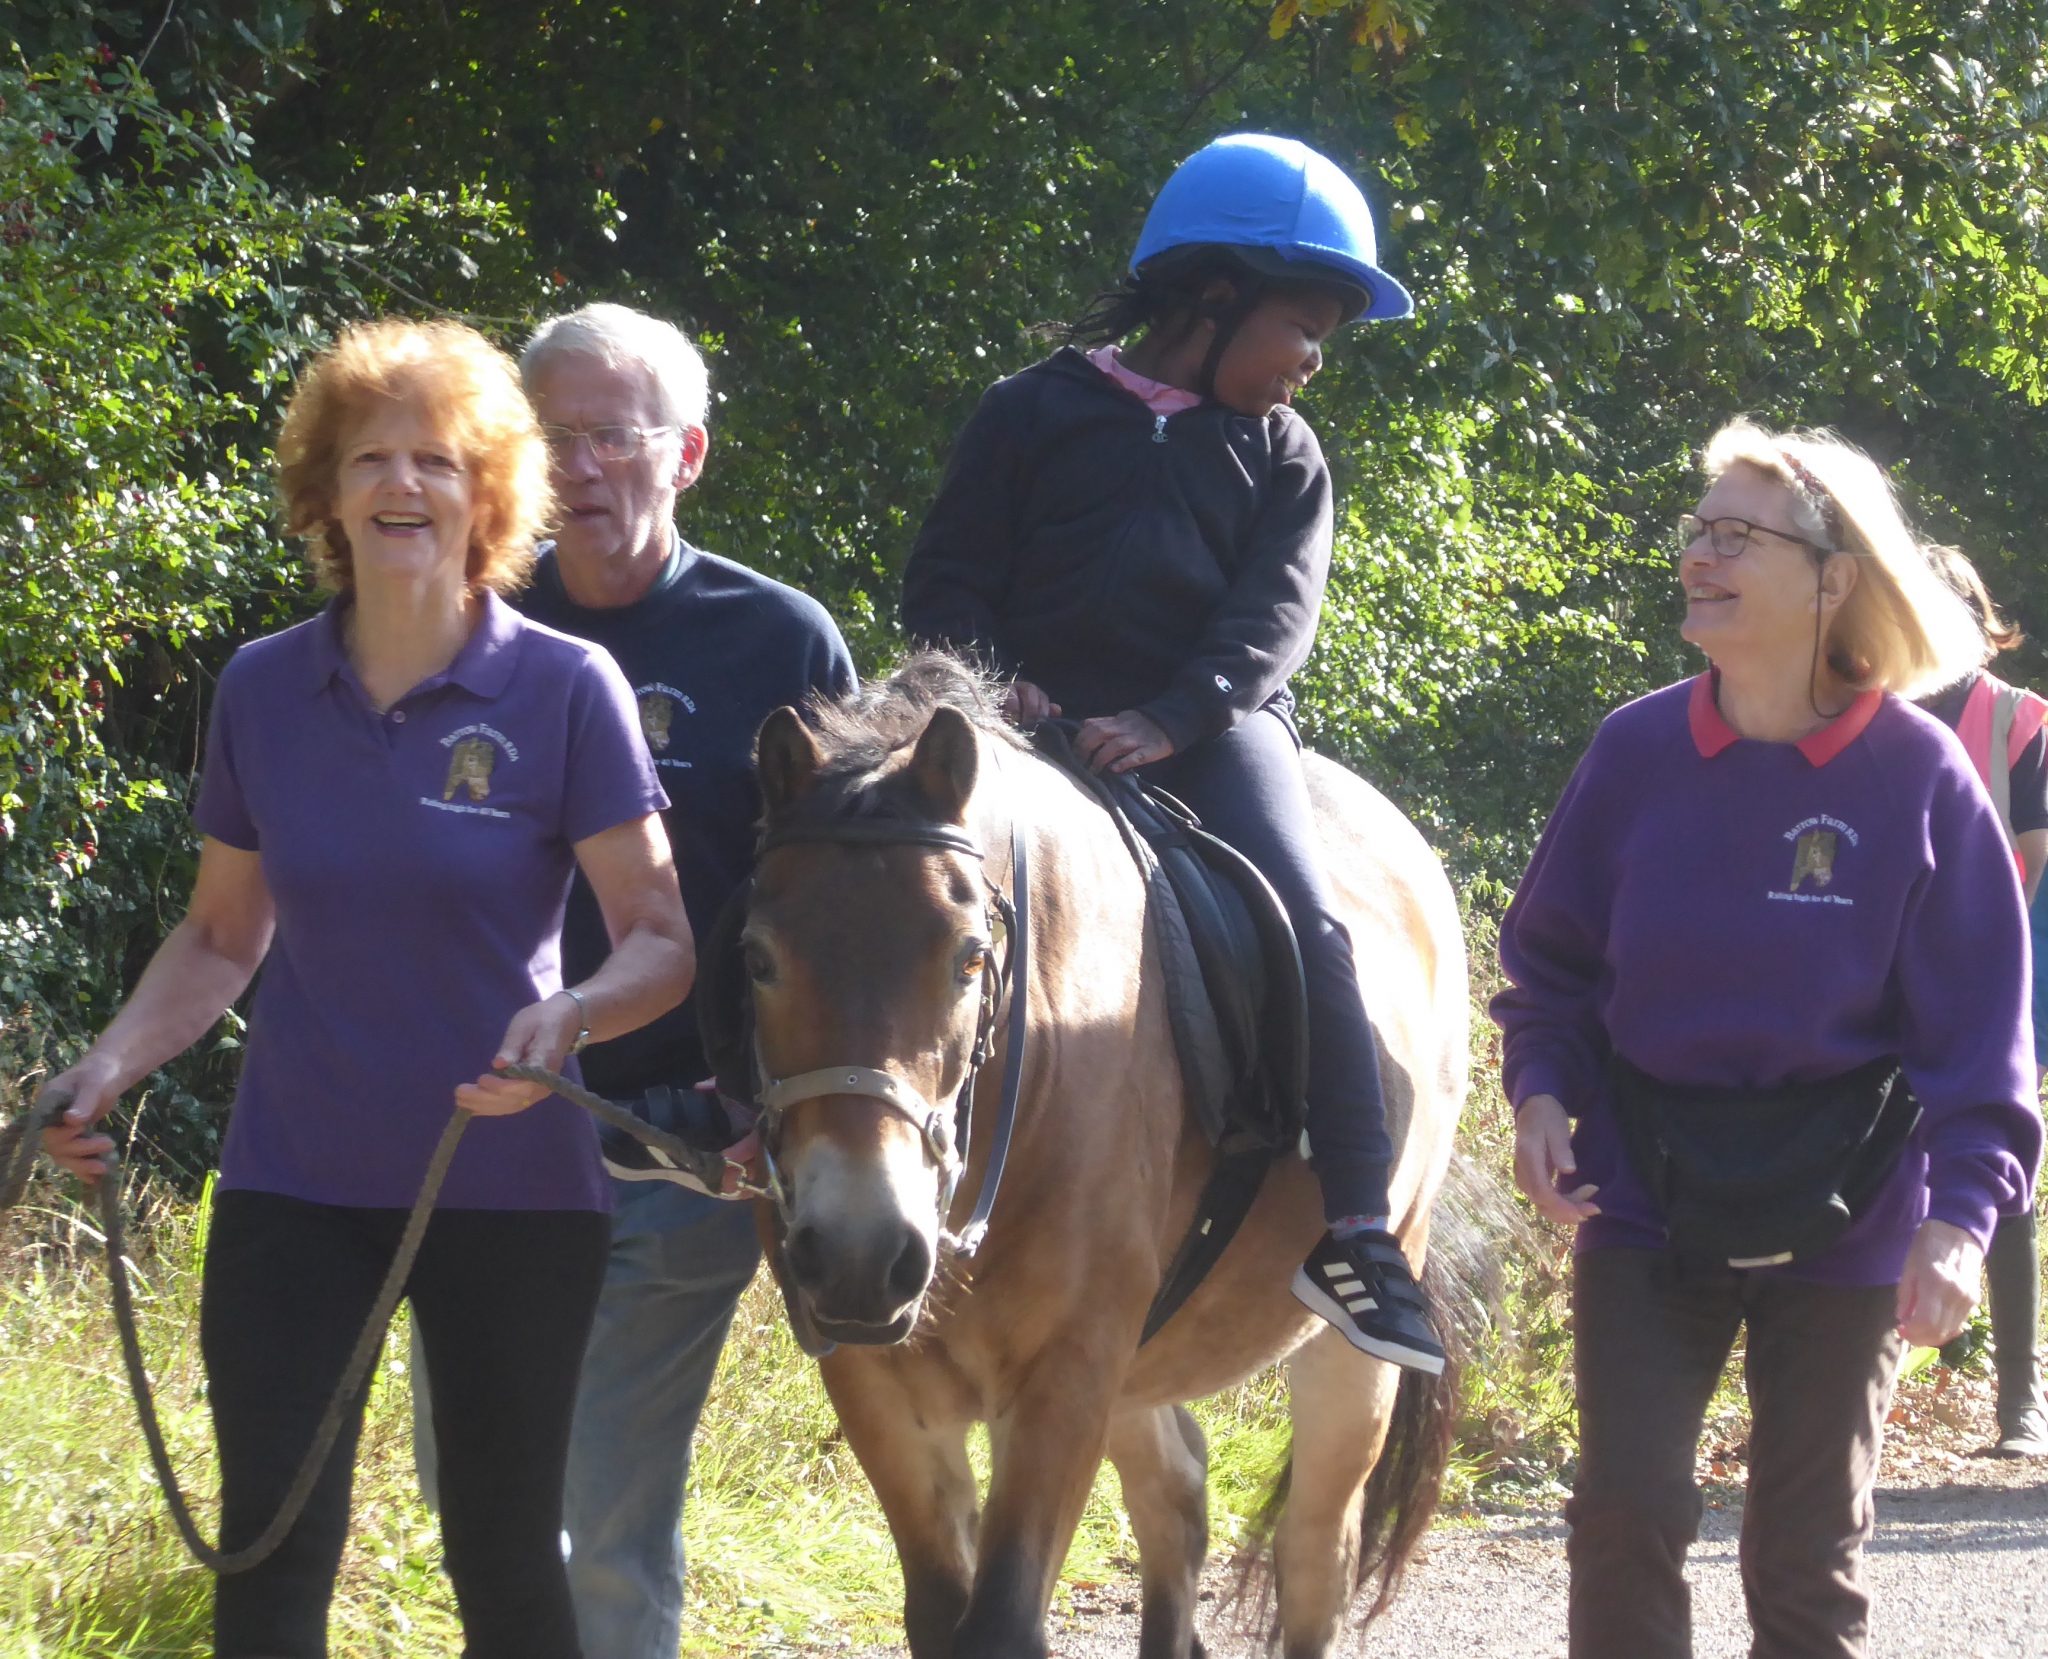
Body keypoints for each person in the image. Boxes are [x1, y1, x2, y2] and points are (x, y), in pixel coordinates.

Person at [37, 318, 692, 1657]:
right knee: (270, 1550)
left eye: (439, 460)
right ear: (326, 490)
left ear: (488, 490)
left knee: (508, 1558)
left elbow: (661, 937)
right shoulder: (265, 688)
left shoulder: (567, 686)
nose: (405, 485)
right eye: (371, 457)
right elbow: (223, 935)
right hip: (296, 1182)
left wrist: (570, 1016)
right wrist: (109, 1063)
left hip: (512, 1188)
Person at [1493, 418, 2044, 1659]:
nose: (1699, 555)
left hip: (1849, 1206)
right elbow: (1551, 965)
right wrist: (1537, 1092)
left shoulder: (1917, 777)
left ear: (1831, 576)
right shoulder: (1633, 749)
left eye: (1737, 536)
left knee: (1801, 1553)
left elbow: (1977, 1036)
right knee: (1623, 1516)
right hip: (1641, 1188)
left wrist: (1959, 1222)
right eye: (1698, 531)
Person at [901, 132, 1443, 1373]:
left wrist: (1171, 717)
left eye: (1325, 340)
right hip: (1009, 722)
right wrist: (997, 691)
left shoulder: (1285, 456)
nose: (1313, 361)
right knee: (855, 853)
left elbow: (1271, 621)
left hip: (1204, 728)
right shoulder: (1029, 411)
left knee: (1310, 919)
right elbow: (944, 579)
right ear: (1213, 295)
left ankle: (1356, 1231)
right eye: (1303, 326)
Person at [500, 302, 855, 1659]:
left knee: (596, 1520)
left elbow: (833, 919)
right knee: (488, 1504)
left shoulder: (778, 641)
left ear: (688, 453)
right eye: (550, 437)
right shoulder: (467, 621)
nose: (577, 465)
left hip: (678, 1143)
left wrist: (780, 1117)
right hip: (484, 1144)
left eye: (610, 435)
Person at [1918, 544, 2048, 1458]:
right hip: (1873, 972)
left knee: (2004, 1177)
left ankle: (2021, 1402)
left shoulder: (2017, 719)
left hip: (1990, 968)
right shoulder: (1855, 705)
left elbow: (2033, 850)